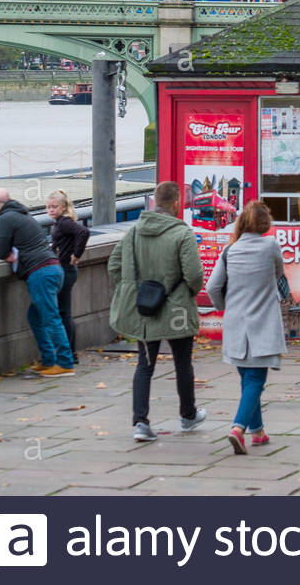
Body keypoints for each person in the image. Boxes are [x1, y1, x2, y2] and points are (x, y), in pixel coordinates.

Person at [107, 181, 206, 442]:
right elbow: (194, 275)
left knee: (145, 365)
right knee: (182, 363)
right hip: (177, 309)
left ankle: (141, 422)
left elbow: (114, 266)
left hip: (144, 310)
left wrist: (133, 290)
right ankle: (187, 416)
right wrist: (187, 293)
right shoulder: (182, 234)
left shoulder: (133, 232)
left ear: (154, 201)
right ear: (176, 204)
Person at [205, 201, 287, 454]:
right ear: (265, 223)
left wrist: (225, 305)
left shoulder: (230, 251)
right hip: (262, 324)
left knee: (247, 380)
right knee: (255, 381)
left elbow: (212, 288)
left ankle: (258, 432)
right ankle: (238, 429)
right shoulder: (271, 246)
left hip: (235, 325)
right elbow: (279, 274)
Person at [0, 188, 74, 377]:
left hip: (40, 272)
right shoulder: (24, 215)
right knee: (36, 318)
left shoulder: (4, 219)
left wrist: (7, 254)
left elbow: (0, 249)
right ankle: (48, 361)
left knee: (51, 318)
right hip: (54, 269)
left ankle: (65, 363)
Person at [46, 190, 89, 364]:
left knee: (64, 312)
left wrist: (76, 254)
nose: (50, 210)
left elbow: (83, 232)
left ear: (63, 207)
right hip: (63, 268)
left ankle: (70, 353)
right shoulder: (60, 223)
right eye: (48, 207)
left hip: (66, 269)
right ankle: (69, 352)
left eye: (54, 207)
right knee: (64, 312)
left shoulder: (64, 222)